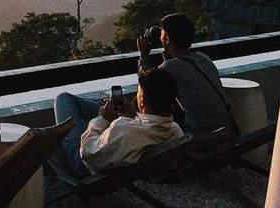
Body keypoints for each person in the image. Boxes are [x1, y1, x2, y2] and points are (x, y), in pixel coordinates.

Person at [53, 68, 184, 177]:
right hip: (121, 154)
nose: (135, 97)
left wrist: (102, 119)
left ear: (142, 100)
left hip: (84, 165)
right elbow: (141, 134)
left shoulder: (123, 128)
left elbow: (87, 153)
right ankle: (104, 104)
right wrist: (134, 116)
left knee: (63, 98)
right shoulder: (175, 130)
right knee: (101, 106)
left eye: (138, 94)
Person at [138, 13, 234, 136]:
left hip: (201, 139)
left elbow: (146, 86)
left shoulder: (170, 67)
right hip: (226, 131)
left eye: (162, 32)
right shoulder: (204, 58)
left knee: (156, 108)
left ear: (167, 39)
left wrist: (143, 56)